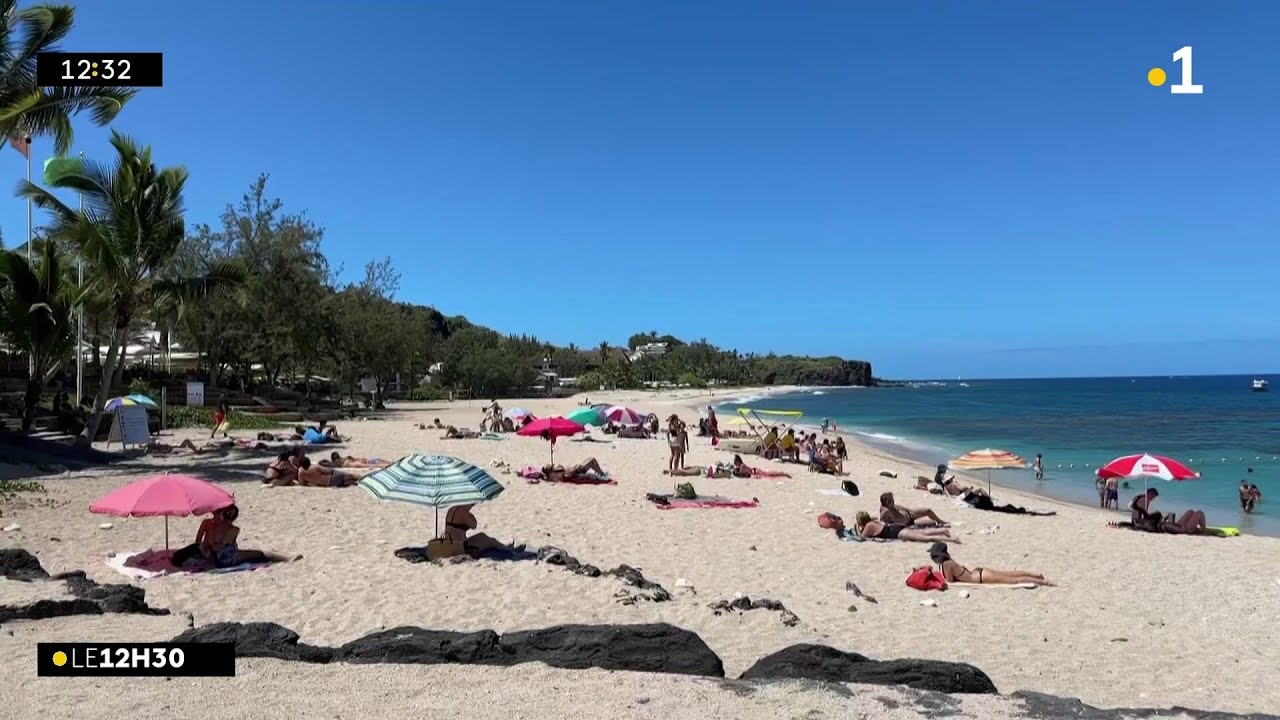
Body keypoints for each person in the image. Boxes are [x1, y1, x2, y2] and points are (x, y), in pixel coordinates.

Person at [171, 505, 293, 567]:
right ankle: (287, 558)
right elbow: (221, 548)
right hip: (224, 559)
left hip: (207, 555)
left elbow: (197, 542)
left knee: (256, 554)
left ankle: (284, 557)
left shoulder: (206, 523)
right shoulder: (233, 529)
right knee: (260, 553)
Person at [929, 542, 1054, 586]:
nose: (932, 558)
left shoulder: (946, 565)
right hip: (979, 571)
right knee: (1011, 574)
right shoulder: (949, 561)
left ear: (940, 556)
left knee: (1014, 581)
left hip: (981, 578)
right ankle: (1037, 574)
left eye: (934, 556)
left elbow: (950, 581)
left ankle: (1044, 582)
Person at [443, 504, 517, 558]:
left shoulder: (451, 509)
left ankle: (505, 547)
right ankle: (507, 548)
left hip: (449, 544)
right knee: (491, 541)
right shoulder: (463, 512)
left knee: (482, 535)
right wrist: (470, 515)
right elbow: (474, 525)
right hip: (460, 547)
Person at [853, 511, 959, 543]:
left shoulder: (868, 526)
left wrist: (857, 528)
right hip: (895, 528)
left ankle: (950, 539)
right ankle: (942, 530)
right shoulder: (872, 522)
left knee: (924, 538)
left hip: (896, 533)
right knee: (923, 533)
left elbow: (861, 538)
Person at [879, 492, 946, 527]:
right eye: (891, 500)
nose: (893, 501)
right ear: (886, 502)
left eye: (892, 499)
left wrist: (909, 510)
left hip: (910, 515)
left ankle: (941, 521)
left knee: (928, 510)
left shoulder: (891, 505)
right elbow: (881, 523)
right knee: (932, 523)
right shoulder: (885, 511)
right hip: (908, 523)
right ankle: (938, 522)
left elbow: (897, 506)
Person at [542, 457, 607, 482]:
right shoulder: (555, 472)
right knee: (593, 460)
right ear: (548, 470)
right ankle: (601, 473)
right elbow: (566, 474)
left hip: (577, 468)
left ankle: (600, 473)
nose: (548, 465)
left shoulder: (554, 471)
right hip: (578, 470)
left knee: (592, 460)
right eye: (547, 466)